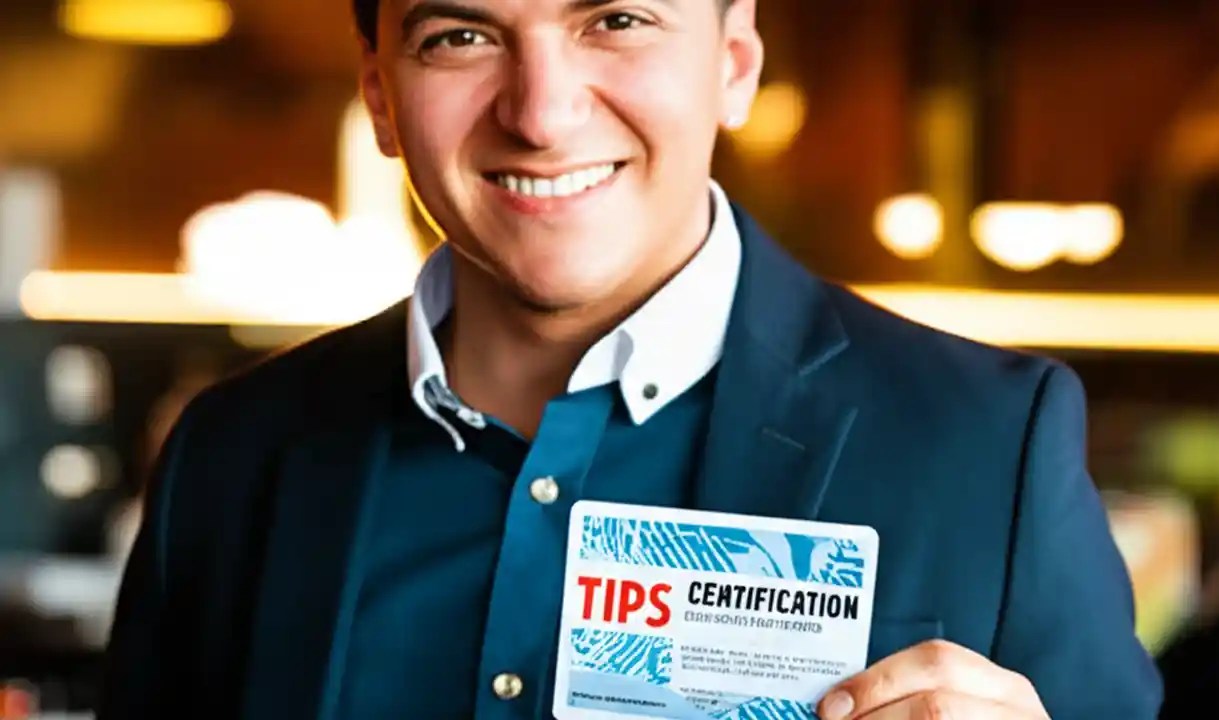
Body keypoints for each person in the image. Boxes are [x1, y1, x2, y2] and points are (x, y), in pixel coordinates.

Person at [99, 1, 1162, 718]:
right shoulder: (231, 458)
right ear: (379, 95)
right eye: (460, 37)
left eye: (615, 19)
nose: (542, 113)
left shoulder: (985, 445)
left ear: (732, 65)